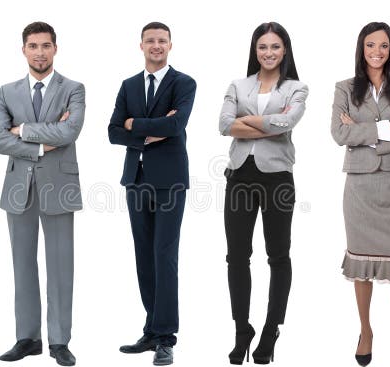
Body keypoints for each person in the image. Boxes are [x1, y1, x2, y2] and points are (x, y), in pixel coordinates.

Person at [331, 22, 390, 367]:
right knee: (361, 266)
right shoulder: (344, 88)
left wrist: (362, 130)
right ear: (361, 48)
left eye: (384, 45)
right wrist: (388, 127)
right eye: (371, 45)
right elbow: (338, 133)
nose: (377, 51)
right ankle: (366, 331)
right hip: (359, 189)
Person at [0, 21, 85, 367]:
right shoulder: (7, 91)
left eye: (46, 46)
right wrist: (42, 144)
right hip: (18, 187)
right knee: (22, 265)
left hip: (60, 186)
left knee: (61, 266)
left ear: (55, 48)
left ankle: (59, 341)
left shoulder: (74, 89)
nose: (40, 52)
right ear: (24, 50)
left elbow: (70, 130)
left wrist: (24, 130)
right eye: (33, 46)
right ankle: (27, 338)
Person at [218, 22, 307, 365]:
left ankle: (271, 329)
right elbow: (223, 125)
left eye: (275, 47)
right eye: (262, 47)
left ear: (285, 50)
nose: (268, 53)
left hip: (278, 180)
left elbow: (289, 123)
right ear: (254, 51)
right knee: (236, 256)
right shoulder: (237, 84)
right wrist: (269, 121)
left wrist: (248, 120)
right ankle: (243, 329)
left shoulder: (297, 87)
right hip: (240, 176)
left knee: (278, 255)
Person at [107, 21, 196, 366]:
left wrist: (134, 124)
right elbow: (113, 131)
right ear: (140, 45)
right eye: (150, 41)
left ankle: (166, 337)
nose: (156, 46)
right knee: (144, 255)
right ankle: (151, 329)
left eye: (162, 41)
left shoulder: (183, 83)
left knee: (164, 255)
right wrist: (144, 131)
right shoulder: (128, 86)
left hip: (170, 181)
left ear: (170, 45)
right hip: (136, 179)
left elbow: (176, 126)